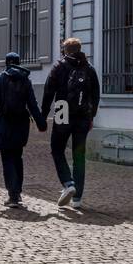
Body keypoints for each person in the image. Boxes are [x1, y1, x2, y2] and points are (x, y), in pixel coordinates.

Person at [41, 36, 100, 210]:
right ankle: (78, 199)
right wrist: (91, 117)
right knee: (79, 155)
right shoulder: (89, 68)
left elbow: (48, 92)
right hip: (83, 115)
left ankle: (68, 183)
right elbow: (96, 95)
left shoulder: (59, 67)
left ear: (65, 51)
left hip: (62, 109)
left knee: (57, 149)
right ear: (80, 49)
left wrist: (42, 117)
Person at [0, 52, 47, 208]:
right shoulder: (25, 80)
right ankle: (17, 192)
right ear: (19, 63)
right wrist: (41, 123)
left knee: (7, 158)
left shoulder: (0, 79)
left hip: (5, 122)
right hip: (21, 124)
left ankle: (12, 195)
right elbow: (32, 104)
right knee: (17, 157)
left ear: (7, 63)